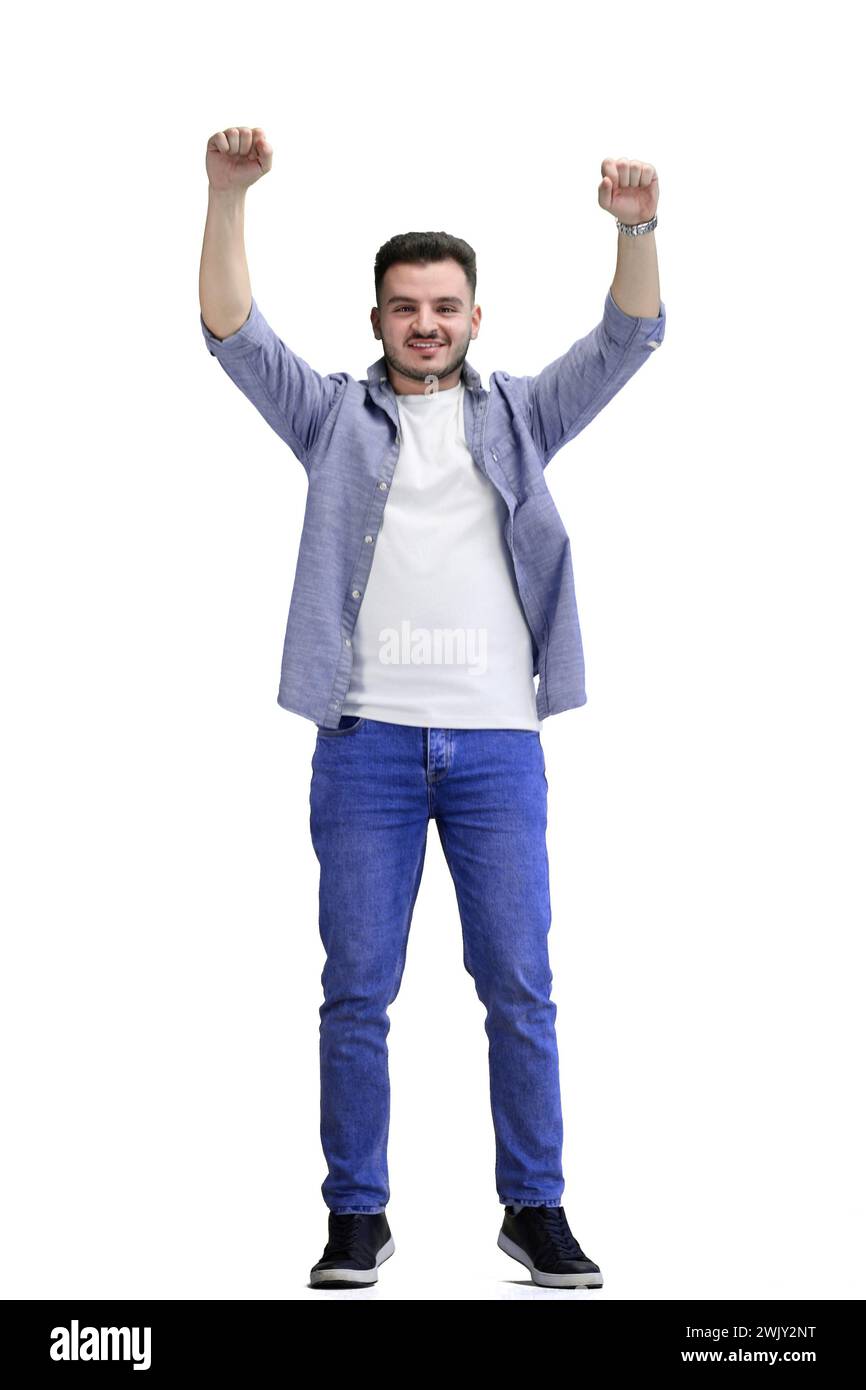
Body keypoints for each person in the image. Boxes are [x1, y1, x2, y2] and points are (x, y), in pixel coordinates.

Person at [199, 126, 665, 1291]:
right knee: (356, 988)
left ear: (471, 318)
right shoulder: (329, 420)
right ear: (376, 321)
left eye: (444, 306)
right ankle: (356, 1213)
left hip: (497, 747)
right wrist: (224, 198)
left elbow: (627, 339)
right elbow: (230, 332)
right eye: (405, 306)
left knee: (518, 982)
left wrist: (634, 230)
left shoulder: (518, 416)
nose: (425, 323)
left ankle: (534, 1207)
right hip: (363, 745)